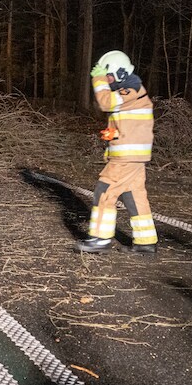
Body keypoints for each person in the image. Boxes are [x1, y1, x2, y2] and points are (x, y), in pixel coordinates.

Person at [78, 51, 157, 254]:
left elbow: (105, 102)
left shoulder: (131, 90)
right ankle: (146, 242)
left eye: (109, 77)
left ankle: (100, 239)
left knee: (104, 191)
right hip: (132, 157)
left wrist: (97, 79)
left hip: (127, 158)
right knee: (134, 196)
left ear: (120, 73)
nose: (107, 81)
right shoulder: (130, 91)